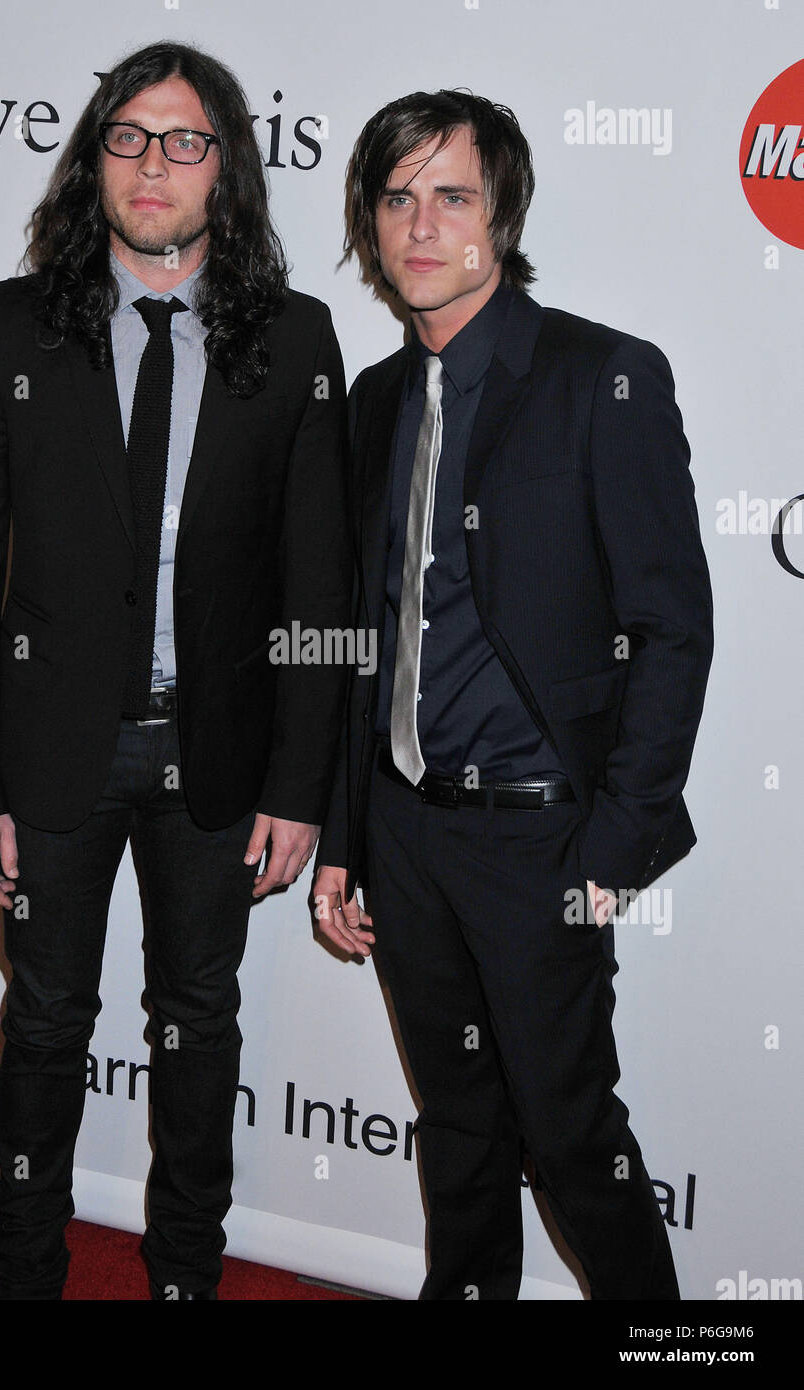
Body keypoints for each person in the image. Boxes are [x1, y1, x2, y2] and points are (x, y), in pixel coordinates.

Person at [0, 40, 351, 1301]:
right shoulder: (10, 323)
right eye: (129, 135)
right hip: (51, 756)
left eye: (185, 139)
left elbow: (319, 594)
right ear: (93, 156)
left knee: (199, 1023)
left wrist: (301, 786)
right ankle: (21, 1286)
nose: (153, 163)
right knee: (48, 1024)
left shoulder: (296, 337)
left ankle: (184, 1279)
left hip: (212, 758)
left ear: (227, 168)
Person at [314, 89, 713, 1300]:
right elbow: (361, 637)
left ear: (504, 213)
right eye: (397, 198)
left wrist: (610, 845)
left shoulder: (604, 378)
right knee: (461, 1131)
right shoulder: (377, 400)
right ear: (370, 225)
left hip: (545, 840)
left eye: (453, 196)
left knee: (573, 1138)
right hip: (409, 833)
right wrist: (346, 835)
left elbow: (673, 629)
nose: (422, 226)